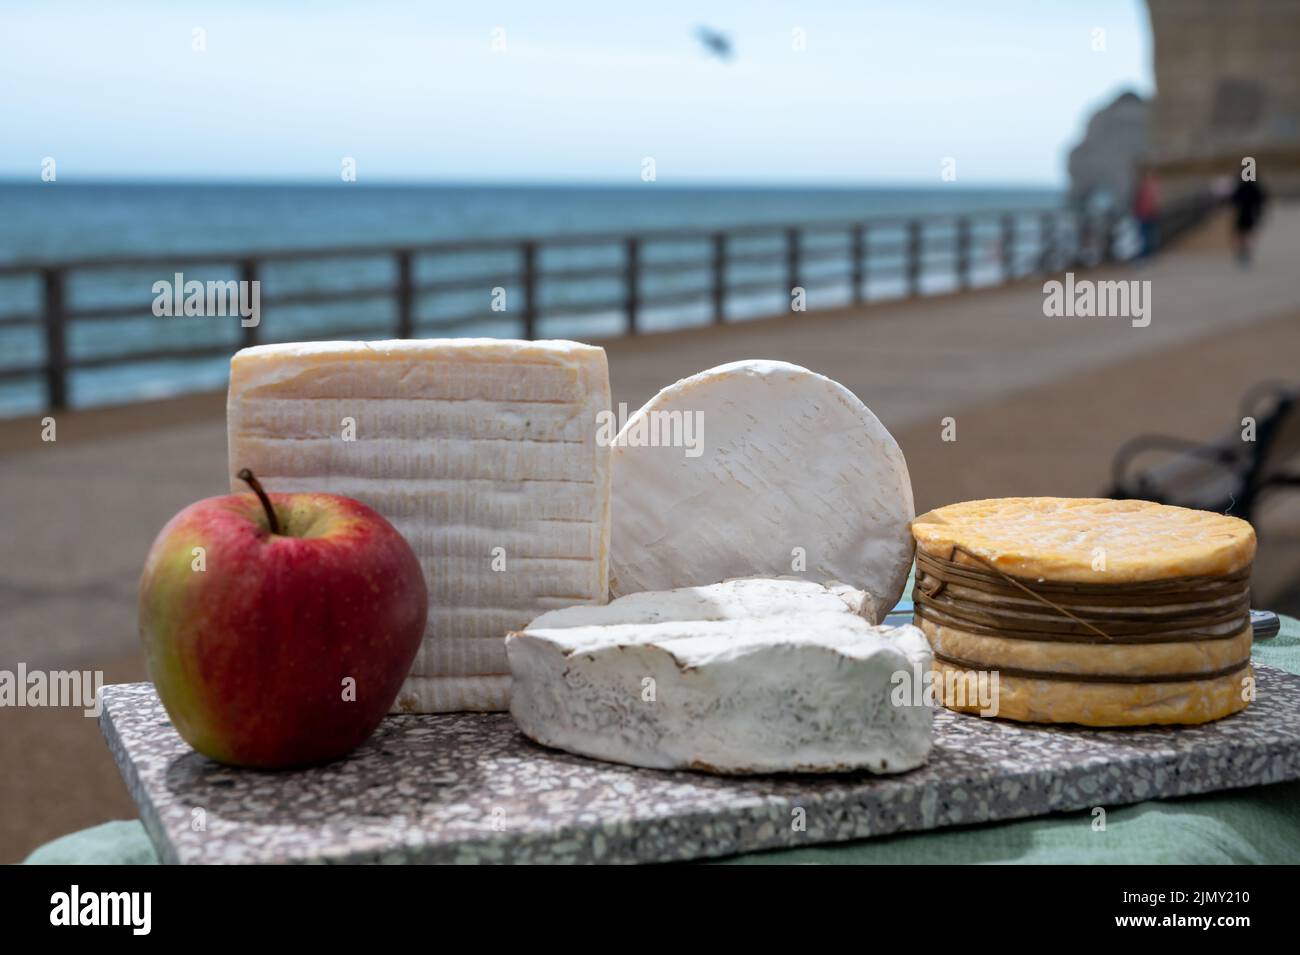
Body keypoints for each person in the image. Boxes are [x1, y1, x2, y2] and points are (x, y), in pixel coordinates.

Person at [1229, 175, 1268, 266]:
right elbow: (1261, 201)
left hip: (1242, 213)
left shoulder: (1241, 186)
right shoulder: (1254, 187)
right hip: (1250, 214)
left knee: (1241, 234)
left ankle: (1243, 252)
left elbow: (1233, 200)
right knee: (1247, 234)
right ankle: (1245, 252)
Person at [1131, 170, 1160, 259]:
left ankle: (1146, 254)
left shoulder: (1152, 188)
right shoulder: (1145, 188)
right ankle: (1146, 253)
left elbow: (1154, 202)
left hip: (1149, 215)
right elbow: (1138, 201)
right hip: (1143, 215)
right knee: (1144, 235)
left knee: (1146, 235)